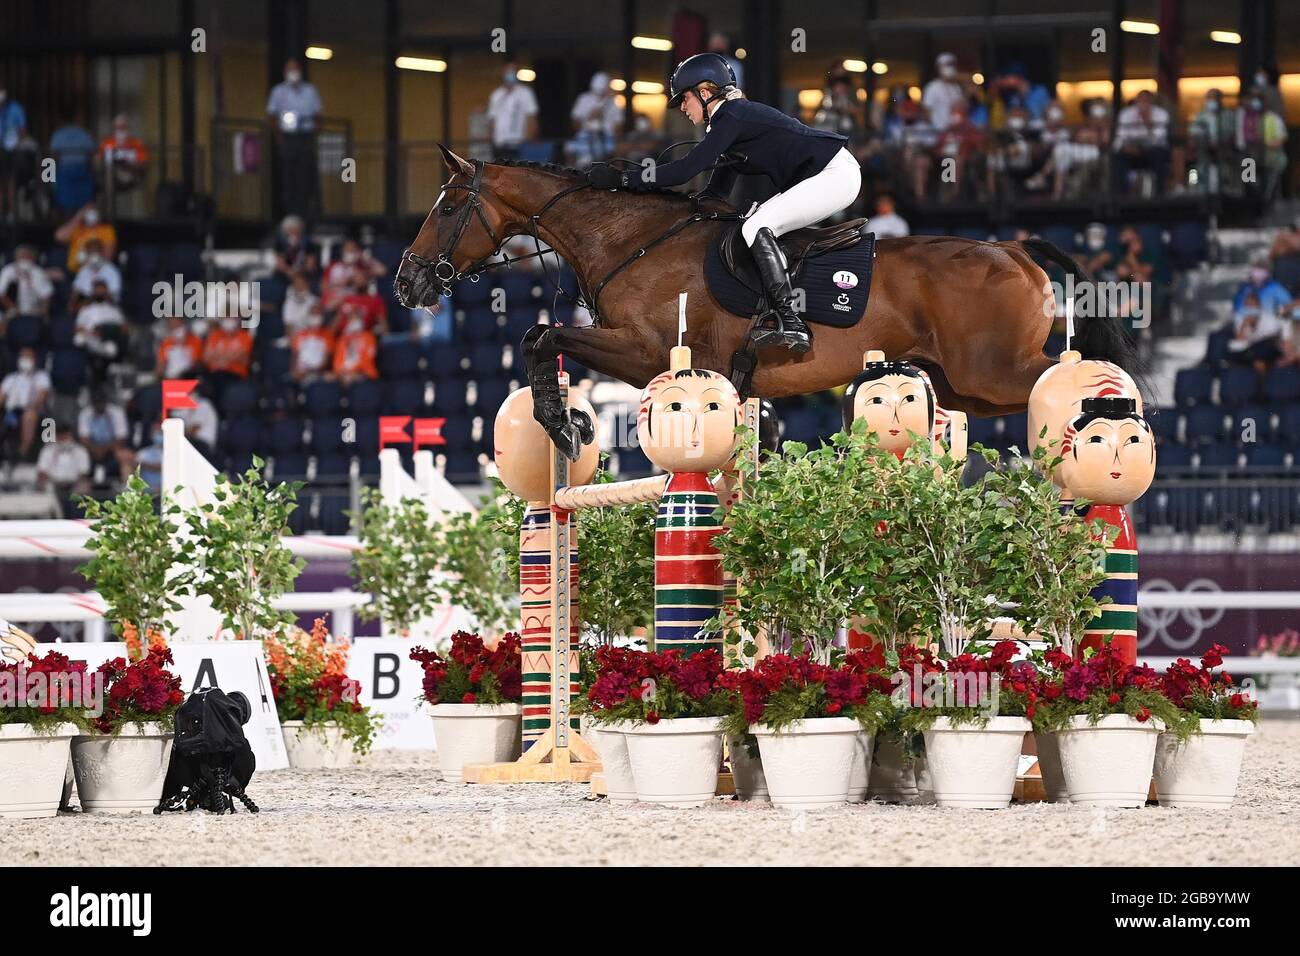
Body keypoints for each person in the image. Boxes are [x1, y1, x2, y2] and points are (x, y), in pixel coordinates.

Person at [587, 53, 860, 353]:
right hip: (827, 174)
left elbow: (685, 169)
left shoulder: (732, 115)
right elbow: (717, 189)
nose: (681, 107)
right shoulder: (731, 121)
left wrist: (623, 179)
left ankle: (792, 322)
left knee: (757, 227)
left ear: (705, 93)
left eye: (684, 99)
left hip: (834, 174)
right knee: (751, 224)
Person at [266, 59, 323, 218]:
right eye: (290, 70)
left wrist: (314, 133)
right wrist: (279, 136)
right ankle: (290, 211)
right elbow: (271, 115)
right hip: (288, 136)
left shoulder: (310, 91)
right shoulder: (278, 91)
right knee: (289, 176)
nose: (294, 74)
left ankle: (310, 210)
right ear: (285, 72)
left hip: (306, 136)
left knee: (306, 175)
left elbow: (318, 115)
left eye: (296, 70)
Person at [1113, 90, 1170, 196]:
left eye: (1146, 100)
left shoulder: (1161, 114)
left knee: (1160, 156)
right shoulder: (1126, 113)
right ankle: (1121, 194)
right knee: (1118, 158)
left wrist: (1147, 120)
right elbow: (1121, 135)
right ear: (1136, 100)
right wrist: (1127, 147)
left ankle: (1159, 194)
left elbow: (1157, 138)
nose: (1143, 103)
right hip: (1131, 149)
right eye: (1141, 100)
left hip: (1152, 149)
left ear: (1151, 101)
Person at [1235, 90, 1288, 202]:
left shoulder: (1273, 118)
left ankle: (1267, 206)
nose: (1254, 103)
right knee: (1249, 186)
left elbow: (1281, 139)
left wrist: (1264, 143)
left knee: (1268, 191)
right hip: (1251, 159)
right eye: (1252, 100)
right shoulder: (1246, 117)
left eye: (1257, 100)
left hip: (1271, 161)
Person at [73, 279, 126, 386]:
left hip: (107, 345)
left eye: (101, 290)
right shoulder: (86, 310)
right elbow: (77, 328)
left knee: (111, 348)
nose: (99, 292)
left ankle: (107, 385)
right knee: (78, 340)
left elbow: (124, 329)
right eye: (97, 290)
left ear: (106, 292)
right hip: (89, 344)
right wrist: (92, 332)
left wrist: (107, 331)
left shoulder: (113, 310)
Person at [0, 348, 49, 460]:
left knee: (29, 416)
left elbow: (42, 396)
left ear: (34, 359)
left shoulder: (41, 376)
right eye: (23, 357)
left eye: (28, 357)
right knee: (8, 419)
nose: (25, 360)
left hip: (33, 411)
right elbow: (1, 397)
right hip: (12, 412)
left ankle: (23, 452)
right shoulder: (11, 378)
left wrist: (32, 407)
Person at [97, 114, 150, 216]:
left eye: (123, 127)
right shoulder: (107, 143)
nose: (120, 130)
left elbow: (144, 164)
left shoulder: (137, 144)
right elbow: (97, 161)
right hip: (111, 176)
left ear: (128, 128)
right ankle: (108, 215)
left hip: (131, 176)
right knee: (108, 175)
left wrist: (129, 164)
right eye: (118, 127)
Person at [36, 424, 92, 518]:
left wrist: (75, 484)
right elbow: (42, 471)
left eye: (65, 435)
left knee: (82, 488)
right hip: (54, 485)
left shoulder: (80, 451)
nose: (62, 438)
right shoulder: (48, 450)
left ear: (70, 435)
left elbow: (83, 472)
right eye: (60, 435)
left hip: (74, 484)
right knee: (46, 489)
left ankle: (77, 519)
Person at [486, 63, 539, 161]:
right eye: (507, 71)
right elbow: (492, 119)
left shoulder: (525, 93)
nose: (510, 74)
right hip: (500, 143)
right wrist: (491, 138)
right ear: (503, 72)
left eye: (512, 71)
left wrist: (530, 138)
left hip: (518, 144)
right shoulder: (496, 94)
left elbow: (532, 117)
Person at [77, 390, 133, 481]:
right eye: (96, 403)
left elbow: (121, 438)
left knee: (126, 456)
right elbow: (83, 439)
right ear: (92, 403)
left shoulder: (116, 412)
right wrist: (95, 449)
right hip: (92, 449)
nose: (99, 406)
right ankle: (82, 488)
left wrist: (104, 449)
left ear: (106, 402)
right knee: (78, 454)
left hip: (112, 448)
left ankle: (126, 489)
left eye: (101, 403)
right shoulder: (85, 413)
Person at [569, 72, 621, 167]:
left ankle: (617, 177)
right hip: (585, 135)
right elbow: (574, 123)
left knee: (614, 151)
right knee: (569, 149)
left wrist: (609, 132)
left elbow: (619, 125)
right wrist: (589, 117)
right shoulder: (584, 99)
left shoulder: (613, 102)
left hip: (607, 137)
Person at [47, 116, 97, 214]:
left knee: (64, 200)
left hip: (65, 172)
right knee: (83, 201)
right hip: (81, 171)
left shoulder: (58, 135)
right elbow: (91, 156)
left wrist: (49, 178)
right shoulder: (85, 134)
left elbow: (51, 157)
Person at [56, 202, 118, 272]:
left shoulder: (107, 230)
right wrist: (79, 216)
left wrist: (90, 261)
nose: (91, 214)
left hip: (98, 269)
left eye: (94, 211)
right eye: (88, 211)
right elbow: (59, 236)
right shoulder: (76, 228)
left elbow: (108, 256)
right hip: (75, 272)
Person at [201, 316, 254, 397]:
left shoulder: (245, 336)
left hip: (235, 375)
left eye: (231, 318)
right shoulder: (215, 335)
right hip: (214, 374)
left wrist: (218, 355)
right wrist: (231, 355)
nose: (228, 320)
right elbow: (207, 358)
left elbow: (244, 359)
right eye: (226, 317)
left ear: (238, 319)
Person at [0, 244, 53, 324]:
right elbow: (1, 294)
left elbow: (47, 295)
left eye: (27, 256)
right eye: (21, 255)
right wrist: (13, 308)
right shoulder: (8, 270)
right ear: (16, 257)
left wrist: (44, 310)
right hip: (12, 310)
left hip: (34, 310)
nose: (24, 258)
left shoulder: (38, 272)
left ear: (32, 257)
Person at [69, 238, 122, 311]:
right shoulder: (84, 270)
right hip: (85, 306)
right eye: (91, 252)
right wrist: (72, 305)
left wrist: (98, 295)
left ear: (102, 253)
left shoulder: (111, 270)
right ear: (86, 254)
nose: (94, 255)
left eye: (96, 252)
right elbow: (76, 291)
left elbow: (114, 296)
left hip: (106, 306)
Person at [0, 87, 28, 220]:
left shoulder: (15, 108)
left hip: (12, 148)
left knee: (11, 179)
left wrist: (17, 142)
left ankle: (11, 212)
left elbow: (22, 129)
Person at [921, 53, 968, 133]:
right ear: (939, 68)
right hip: (938, 131)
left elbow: (961, 108)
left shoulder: (957, 88)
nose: (951, 68)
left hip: (956, 131)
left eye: (952, 65)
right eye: (947, 65)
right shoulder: (932, 87)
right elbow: (926, 112)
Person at [332, 310, 378, 385]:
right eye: (352, 319)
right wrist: (342, 372)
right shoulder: (342, 339)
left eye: (357, 319)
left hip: (363, 373)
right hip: (343, 374)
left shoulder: (368, 337)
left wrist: (353, 372)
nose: (354, 321)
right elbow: (337, 361)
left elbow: (368, 359)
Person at [291, 310, 335, 382]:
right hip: (301, 370)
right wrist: (294, 370)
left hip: (317, 371)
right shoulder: (301, 334)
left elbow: (327, 358)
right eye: (313, 317)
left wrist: (315, 370)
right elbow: (295, 354)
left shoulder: (327, 335)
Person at [156, 315, 204, 379]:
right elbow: (160, 366)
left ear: (183, 323)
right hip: (170, 380)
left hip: (189, 378)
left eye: (177, 324)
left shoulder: (195, 341)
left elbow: (197, 363)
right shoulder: (166, 343)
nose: (174, 327)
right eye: (171, 325)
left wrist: (182, 345)